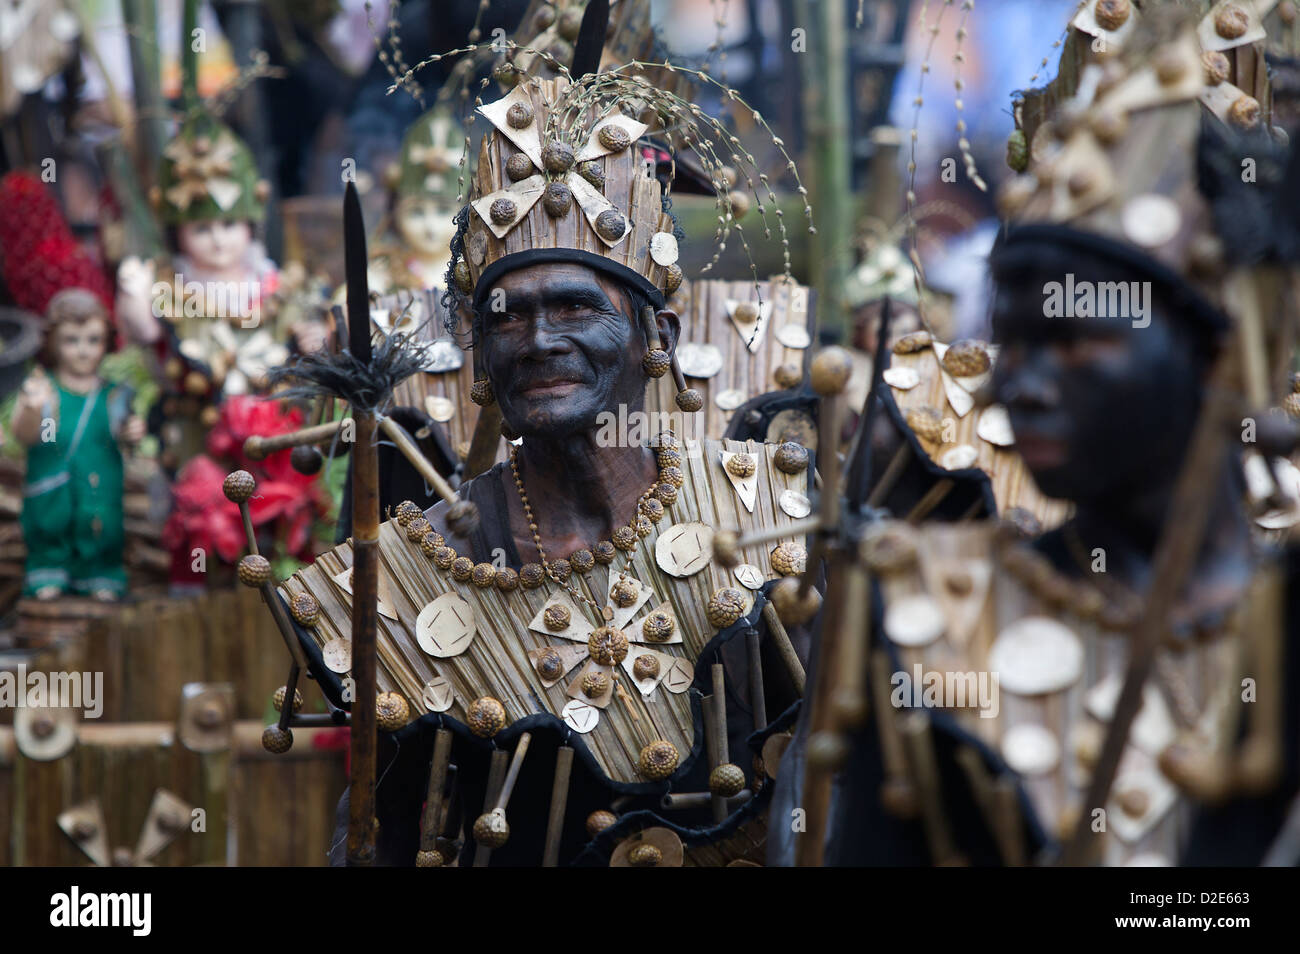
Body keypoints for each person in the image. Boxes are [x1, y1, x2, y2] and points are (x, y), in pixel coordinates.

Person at [769, 6, 1300, 866]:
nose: (1021, 382)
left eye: (1075, 341)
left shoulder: (1281, 620)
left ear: (1211, 360)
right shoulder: (930, 619)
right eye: (1012, 342)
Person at [277, 43, 816, 866]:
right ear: (481, 359)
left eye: (572, 305)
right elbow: (382, 834)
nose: (538, 340)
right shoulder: (412, 575)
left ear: (656, 337)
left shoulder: (761, 517)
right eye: (505, 317)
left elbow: (829, 778)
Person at [12, 289, 144, 601]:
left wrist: (132, 432)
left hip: (98, 481)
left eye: (93, 340)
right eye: (71, 340)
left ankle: (100, 572)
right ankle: (47, 571)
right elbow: (35, 437)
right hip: (51, 484)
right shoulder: (42, 388)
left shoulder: (114, 394)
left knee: (101, 523)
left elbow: (126, 437)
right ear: (53, 343)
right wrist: (34, 410)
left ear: (107, 342)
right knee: (49, 524)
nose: (83, 351)